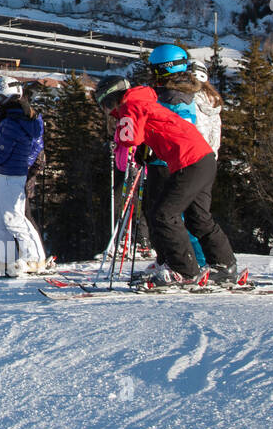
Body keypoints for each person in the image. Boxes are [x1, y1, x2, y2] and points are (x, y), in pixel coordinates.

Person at [95, 75, 238, 285]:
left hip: (190, 162)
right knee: (197, 217)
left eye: (105, 105)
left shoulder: (130, 104)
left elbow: (129, 138)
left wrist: (120, 138)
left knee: (163, 214)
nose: (107, 112)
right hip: (202, 159)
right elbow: (157, 132)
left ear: (110, 99)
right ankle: (225, 266)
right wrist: (147, 150)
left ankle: (185, 270)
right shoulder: (142, 101)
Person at [146, 45, 208, 269]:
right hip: (165, 160)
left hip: (171, 163)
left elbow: (179, 127)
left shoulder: (175, 95)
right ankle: (168, 258)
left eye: (155, 70)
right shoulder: (172, 91)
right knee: (159, 215)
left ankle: (193, 262)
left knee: (174, 217)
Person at [0, 82, 47, 275]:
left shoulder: (12, 120)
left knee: (13, 219)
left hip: (10, 175)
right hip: (4, 173)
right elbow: (34, 147)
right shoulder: (22, 117)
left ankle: (35, 258)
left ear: (7, 98)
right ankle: (5, 259)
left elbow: (1, 153)